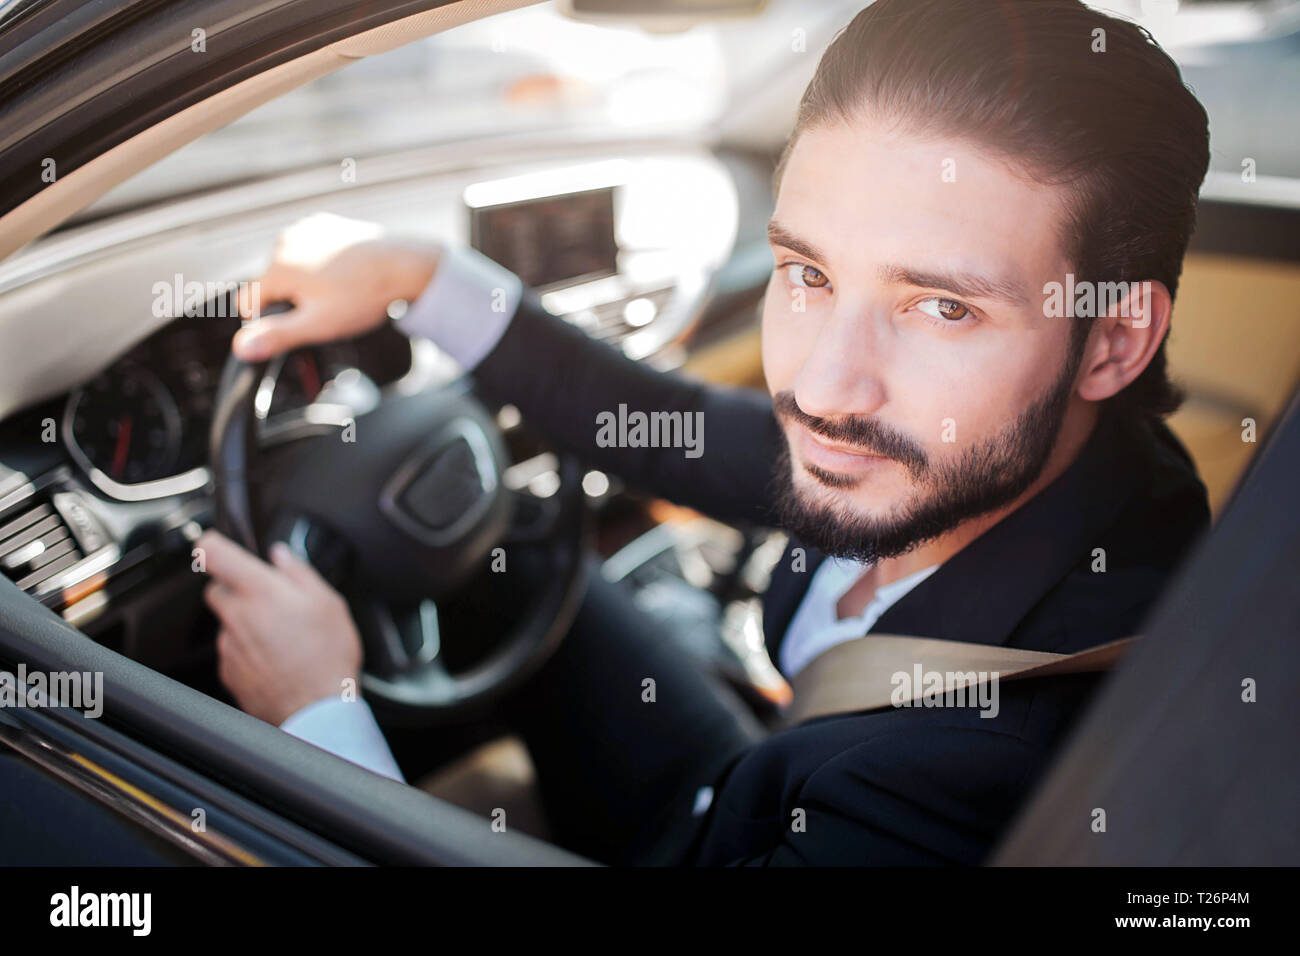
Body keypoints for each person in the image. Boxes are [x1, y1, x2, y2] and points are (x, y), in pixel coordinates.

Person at [198, 0, 1212, 865]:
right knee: (509, 568)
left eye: (941, 306)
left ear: (1113, 340)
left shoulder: (980, 782)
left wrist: (317, 721)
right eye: (808, 274)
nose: (821, 388)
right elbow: (679, 431)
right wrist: (418, 276)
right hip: (745, 784)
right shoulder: (1027, 453)